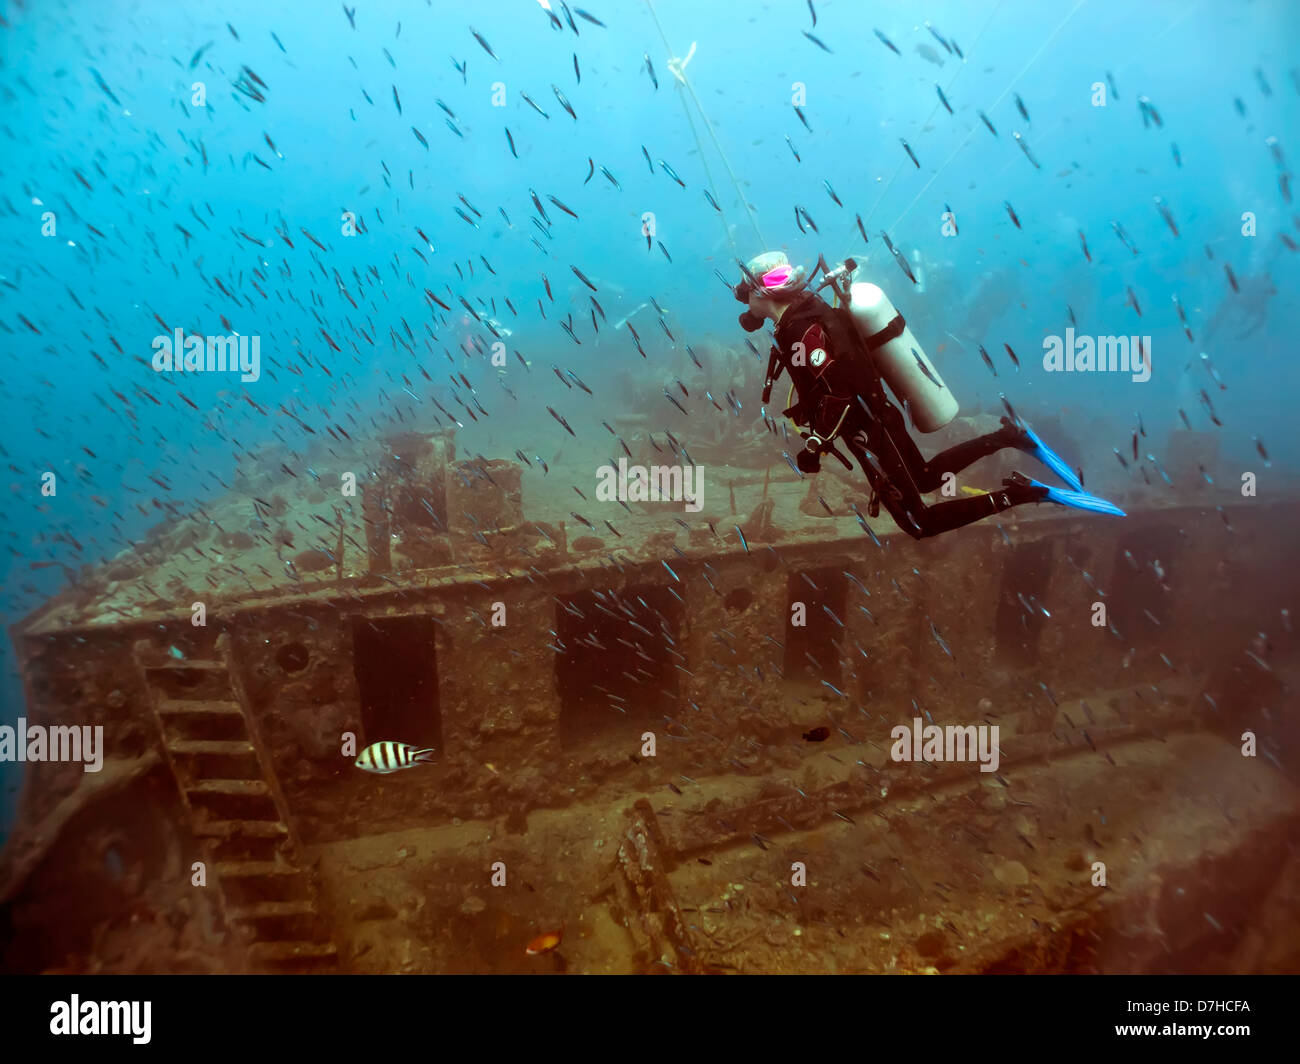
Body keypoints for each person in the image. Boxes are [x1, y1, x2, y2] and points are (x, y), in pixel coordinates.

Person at [734, 251, 1123, 539]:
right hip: (880, 414)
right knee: (922, 478)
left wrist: (817, 444)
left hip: (868, 429)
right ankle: (1008, 437)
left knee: (919, 521)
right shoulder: (811, 308)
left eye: (748, 291)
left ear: (759, 293)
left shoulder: (801, 330)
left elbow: (840, 390)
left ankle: (1022, 494)